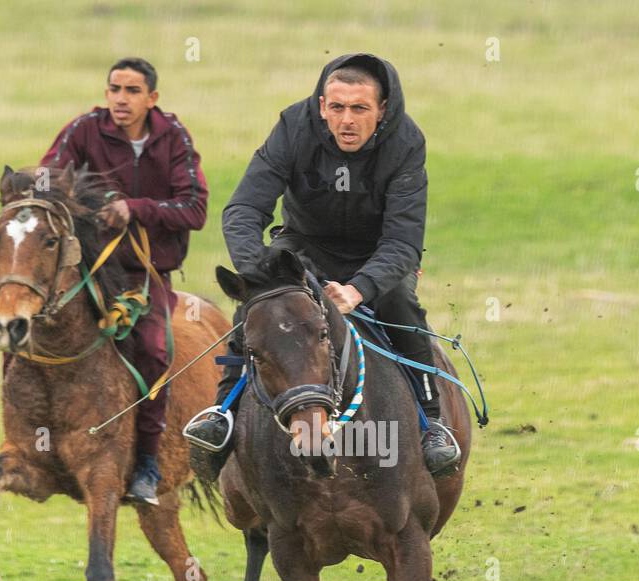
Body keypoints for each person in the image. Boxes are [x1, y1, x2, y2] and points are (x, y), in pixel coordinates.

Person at [184, 53, 461, 477]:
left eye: (359, 109)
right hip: (302, 247)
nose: (346, 120)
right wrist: (262, 275)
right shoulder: (293, 127)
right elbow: (243, 208)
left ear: (382, 110)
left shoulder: (407, 142)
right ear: (321, 107)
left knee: (401, 303)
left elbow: (404, 240)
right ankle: (222, 412)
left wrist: (359, 289)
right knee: (261, 309)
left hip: (378, 256)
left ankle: (432, 421)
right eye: (337, 108)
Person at [40, 57, 208, 505]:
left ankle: (147, 464)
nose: (120, 99)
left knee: (153, 349)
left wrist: (136, 209)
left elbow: (194, 209)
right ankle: (30, 443)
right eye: (114, 88)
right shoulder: (84, 131)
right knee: (27, 328)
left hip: (144, 274)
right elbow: (48, 178)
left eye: (132, 91)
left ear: (152, 98)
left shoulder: (173, 138)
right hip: (87, 271)